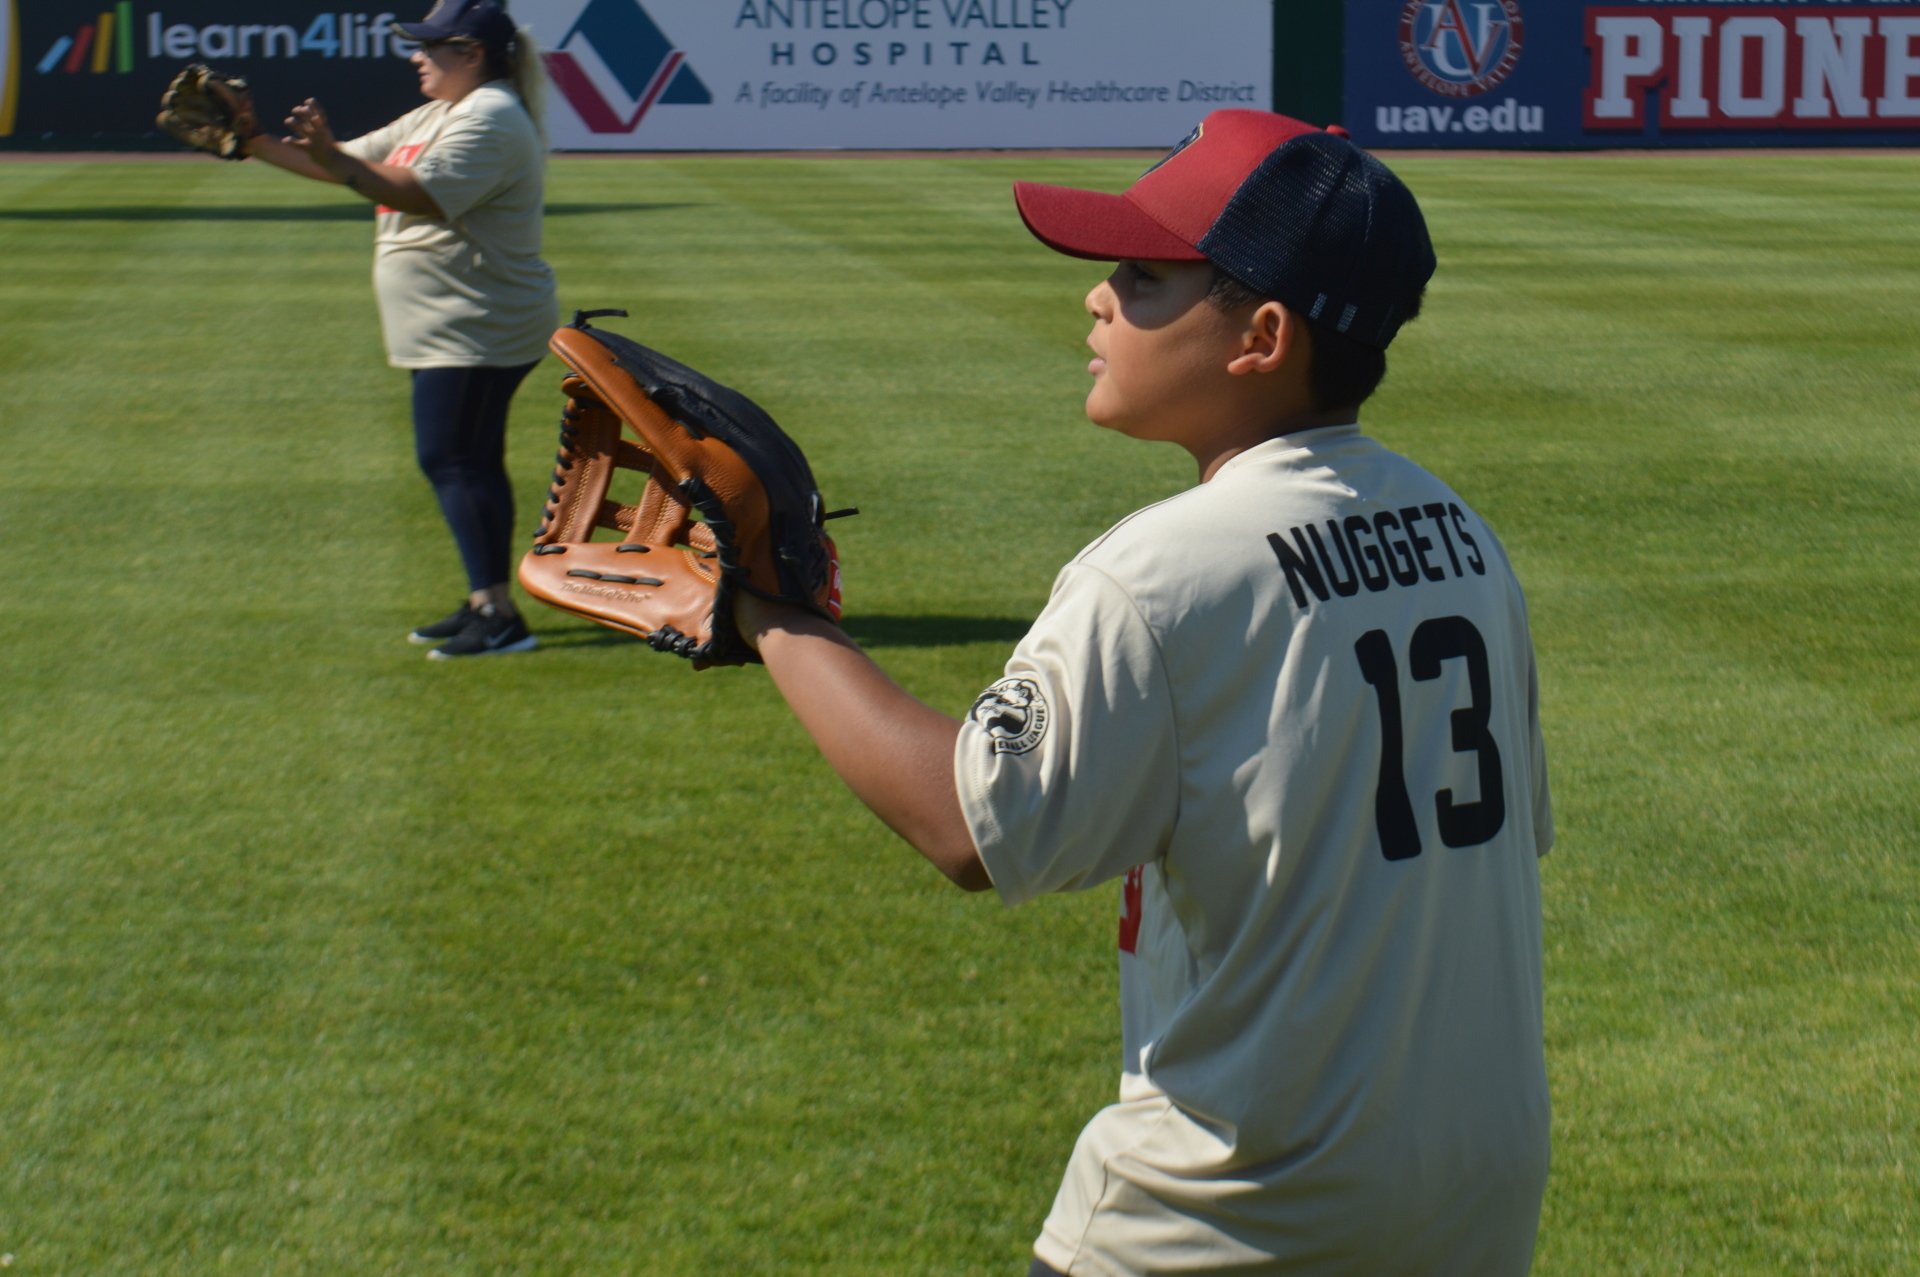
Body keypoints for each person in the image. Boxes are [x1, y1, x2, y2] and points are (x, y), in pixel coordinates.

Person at [735, 110, 1553, 1274]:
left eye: (1142, 275)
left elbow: (971, 826)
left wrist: (771, 613)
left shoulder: (1163, 567)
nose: (1097, 299)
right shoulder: (1464, 537)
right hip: (1471, 1193)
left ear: (1261, 334)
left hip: (1230, 1208)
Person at [244, 0, 558, 659]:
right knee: (465, 455)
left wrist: (333, 156)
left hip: (477, 320)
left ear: (470, 54)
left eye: (430, 46)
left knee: (451, 456)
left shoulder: (493, 116)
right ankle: (486, 599)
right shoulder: (443, 111)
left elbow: (417, 191)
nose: (417, 56)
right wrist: (252, 142)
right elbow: (344, 163)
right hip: (455, 319)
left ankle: (498, 615)